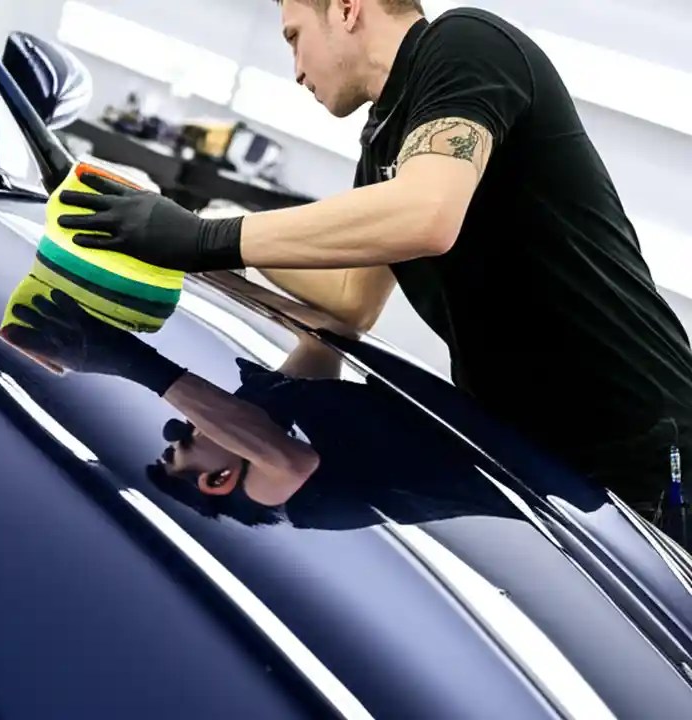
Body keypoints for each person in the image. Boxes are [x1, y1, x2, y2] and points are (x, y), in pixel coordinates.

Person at [53, 0, 692, 517]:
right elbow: (354, 299)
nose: (296, 68)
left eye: (295, 35)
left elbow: (426, 215)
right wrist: (194, 247)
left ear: (349, 8)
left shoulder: (465, 45)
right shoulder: (386, 140)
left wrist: (200, 237)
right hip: (529, 450)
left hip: (644, 442)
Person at [5, 289, 513, 529]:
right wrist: (135, 364)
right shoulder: (288, 492)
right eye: (185, 443)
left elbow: (326, 332)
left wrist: (199, 257)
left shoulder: (272, 418)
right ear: (220, 480)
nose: (191, 424)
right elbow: (287, 463)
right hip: (545, 454)